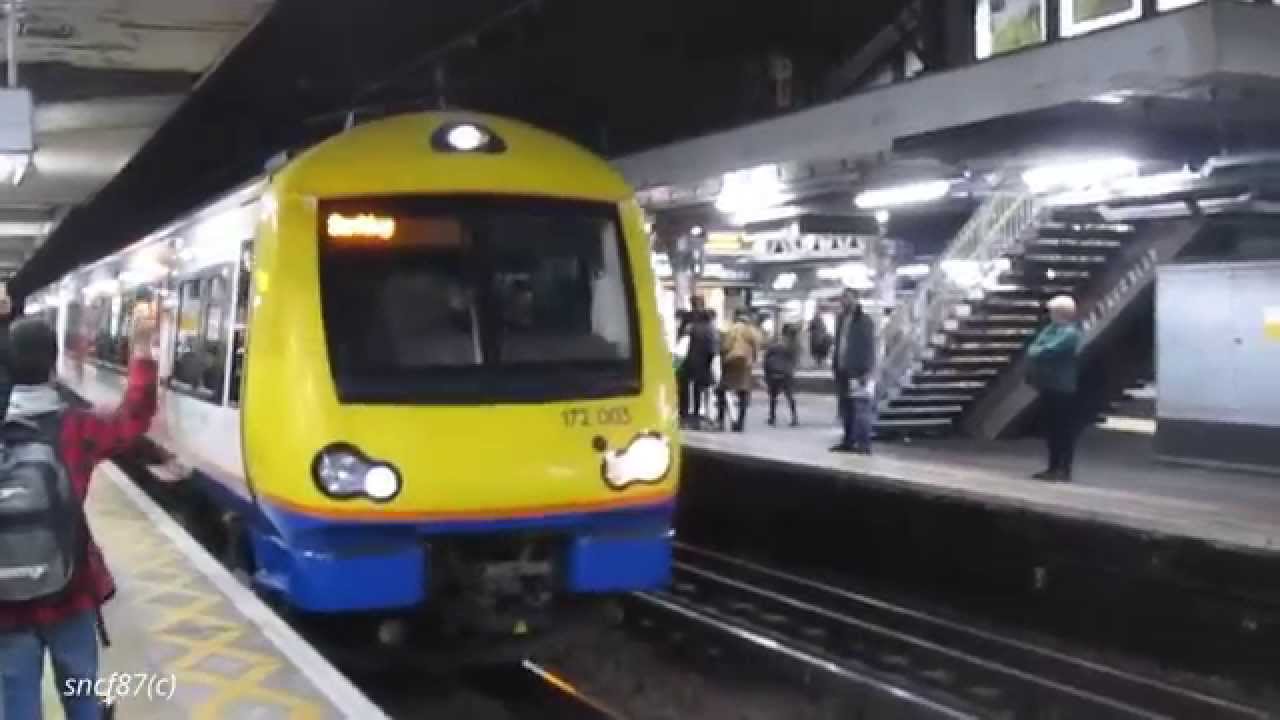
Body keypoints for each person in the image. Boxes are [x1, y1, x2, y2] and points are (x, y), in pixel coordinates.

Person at [0, 302, 161, 719]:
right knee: (81, 695)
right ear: (54, 367)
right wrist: (142, 350)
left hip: (6, 602)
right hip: (70, 589)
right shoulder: (77, 428)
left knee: (17, 702)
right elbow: (134, 417)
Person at [1026, 295, 1083, 482]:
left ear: (1060, 313)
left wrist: (1038, 350)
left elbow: (1046, 351)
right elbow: (1034, 347)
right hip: (1049, 385)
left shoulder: (1070, 333)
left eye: (1052, 311)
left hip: (1062, 387)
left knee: (1062, 430)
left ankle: (1063, 469)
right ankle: (1053, 467)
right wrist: (1038, 349)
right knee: (1051, 429)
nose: (1049, 315)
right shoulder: (1052, 329)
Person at [831, 289, 877, 454]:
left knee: (861, 408)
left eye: (848, 298)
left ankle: (864, 445)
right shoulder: (841, 320)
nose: (844, 301)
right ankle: (848, 441)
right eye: (843, 298)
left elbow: (869, 346)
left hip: (859, 371)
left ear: (857, 300)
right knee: (846, 408)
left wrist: (867, 370)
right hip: (842, 369)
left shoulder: (864, 321)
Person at [716, 310, 763, 432]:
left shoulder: (733, 329)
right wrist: (753, 359)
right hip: (745, 363)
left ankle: (720, 421)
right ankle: (740, 424)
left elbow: (726, 346)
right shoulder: (752, 331)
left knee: (722, 391)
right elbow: (757, 347)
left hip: (731, 361)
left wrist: (722, 354)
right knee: (743, 393)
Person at [764, 323, 800, 427]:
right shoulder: (793, 345)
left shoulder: (776, 343)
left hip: (775, 372)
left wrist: (767, 373)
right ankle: (794, 417)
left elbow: (767, 358)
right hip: (787, 373)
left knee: (773, 396)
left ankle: (772, 417)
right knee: (790, 396)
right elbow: (794, 360)